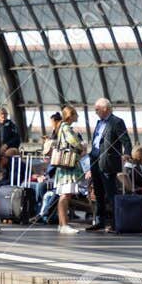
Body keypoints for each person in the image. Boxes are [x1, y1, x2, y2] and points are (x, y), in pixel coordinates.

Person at [86, 98, 130, 232]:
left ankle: (116, 222)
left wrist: (127, 153)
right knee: (98, 193)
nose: (95, 112)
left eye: (97, 109)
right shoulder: (99, 122)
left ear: (105, 109)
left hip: (107, 162)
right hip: (94, 160)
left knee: (111, 193)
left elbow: (126, 140)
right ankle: (100, 221)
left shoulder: (117, 122)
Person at [53, 105, 88, 235]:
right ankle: (64, 225)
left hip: (64, 168)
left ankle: (62, 223)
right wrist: (82, 146)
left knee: (64, 195)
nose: (77, 116)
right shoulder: (66, 128)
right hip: (68, 167)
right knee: (65, 195)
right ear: (70, 115)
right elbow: (74, 142)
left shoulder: (60, 127)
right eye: (76, 114)